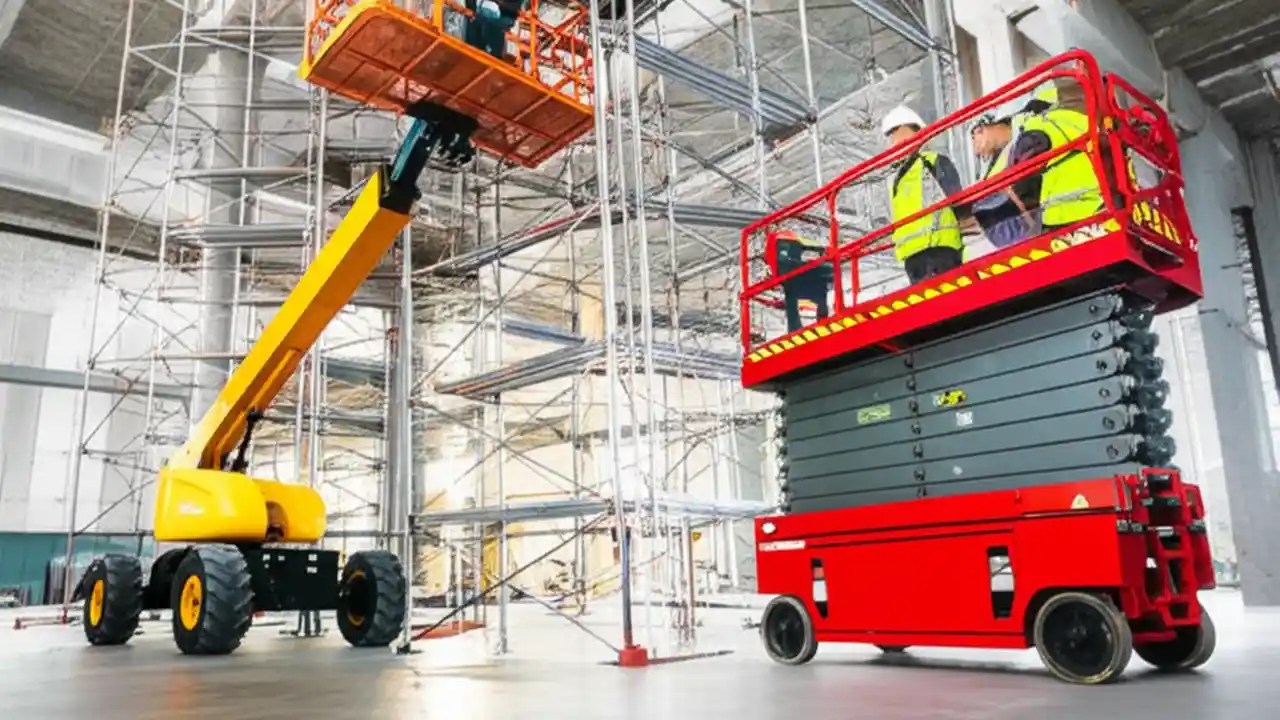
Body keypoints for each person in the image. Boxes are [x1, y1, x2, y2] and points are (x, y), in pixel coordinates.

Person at [881, 105, 972, 284]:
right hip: (912, 257)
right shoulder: (894, 178)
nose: (895, 142)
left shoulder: (933, 162)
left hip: (939, 250)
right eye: (893, 137)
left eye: (898, 134)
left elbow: (959, 202)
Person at [968, 110, 1038, 248]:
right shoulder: (995, 161)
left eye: (974, 139)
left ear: (982, 129)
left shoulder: (1029, 129)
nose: (976, 150)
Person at [770, 229, 833, 332]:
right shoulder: (783, 247)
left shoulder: (787, 246)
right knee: (818, 287)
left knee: (820, 288)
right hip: (793, 278)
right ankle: (818, 322)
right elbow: (786, 262)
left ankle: (799, 326)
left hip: (797, 279)